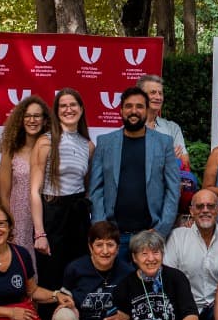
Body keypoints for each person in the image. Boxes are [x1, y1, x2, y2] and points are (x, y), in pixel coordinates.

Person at [88, 86, 181, 253]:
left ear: (147, 110)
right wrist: (101, 229)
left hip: (150, 235)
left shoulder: (164, 143)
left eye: (139, 106)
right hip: (113, 237)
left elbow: (173, 189)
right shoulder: (105, 143)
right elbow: (96, 190)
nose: (134, 111)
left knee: (147, 280)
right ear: (121, 110)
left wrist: (161, 230)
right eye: (129, 106)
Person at [30, 88, 96, 289]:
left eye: (73, 105)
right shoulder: (45, 142)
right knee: (51, 274)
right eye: (63, 106)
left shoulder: (89, 146)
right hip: (52, 214)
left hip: (78, 216)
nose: (69, 109)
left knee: (78, 273)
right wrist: (40, 233)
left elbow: (86, 187)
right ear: (56, 111)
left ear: (81, 109)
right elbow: (34, 191)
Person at [165, 190, 218, 320]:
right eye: (199, 206)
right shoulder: (177, 237)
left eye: (210, 206)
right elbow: (169, 276)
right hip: (186, 308)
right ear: (191, 211)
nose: (205, 210)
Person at [0, 97, 49, 251]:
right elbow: (4, 194)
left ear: (45, 120)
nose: (32, 120)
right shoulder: (10, 150)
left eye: (37, 116)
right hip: (18, 219)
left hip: (46, 217)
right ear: (20, 120)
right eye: (27, 116)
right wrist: (9, 224)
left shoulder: (52, 148)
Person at [138, 74, 189, 170]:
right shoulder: (130, 128)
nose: (158, 97)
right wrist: (168, 158)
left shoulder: (173, 128)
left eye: (160, 93)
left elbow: (184, 162)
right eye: (153, 92)